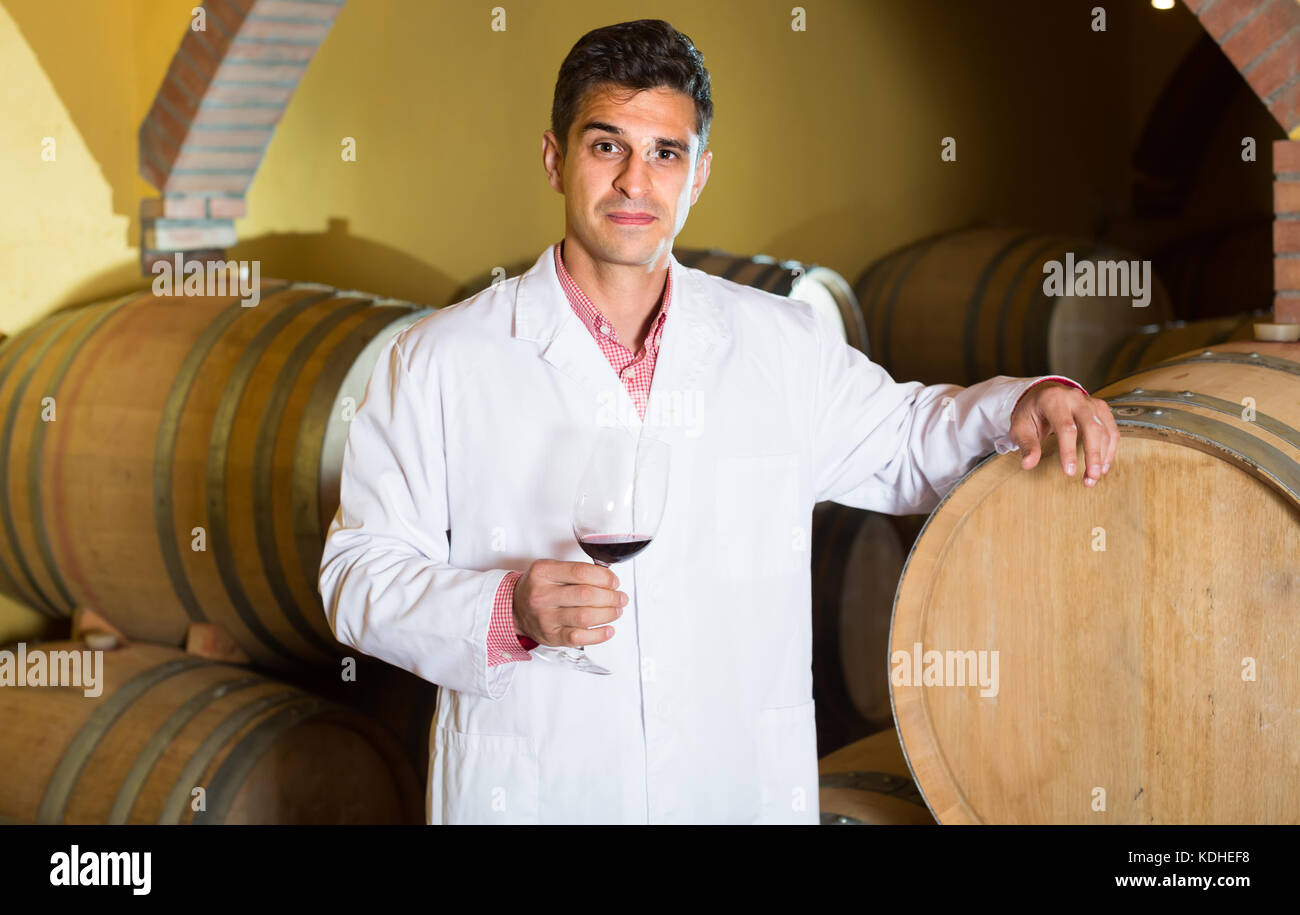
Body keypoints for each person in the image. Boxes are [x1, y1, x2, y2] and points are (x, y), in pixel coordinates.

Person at [317, 19, 1119, 825]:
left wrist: (1021, 402)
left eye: (666, 152)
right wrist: (506, 610)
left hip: (734, 786)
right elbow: (356, 574)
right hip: (536, 789)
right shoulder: (440, 357)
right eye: (607, 146)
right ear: (556, 159)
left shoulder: (781, 339)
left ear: (698, 173)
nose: (637, 181)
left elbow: (909, 439)